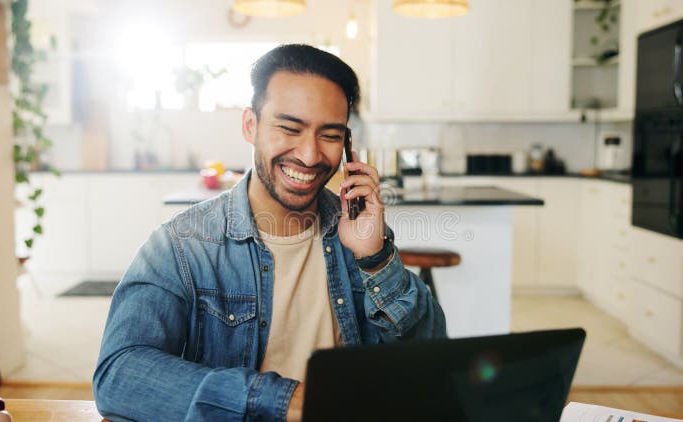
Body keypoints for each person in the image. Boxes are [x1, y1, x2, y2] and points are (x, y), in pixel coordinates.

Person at [93, 44, 446, 422]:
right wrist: (287, 400)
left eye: (329, 135)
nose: (310, 156)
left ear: (348, 148)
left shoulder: (361, 238)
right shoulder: (181, 245)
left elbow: (431, 359)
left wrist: (376, 260)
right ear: (251, 125)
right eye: (290, 128)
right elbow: (119, 374)